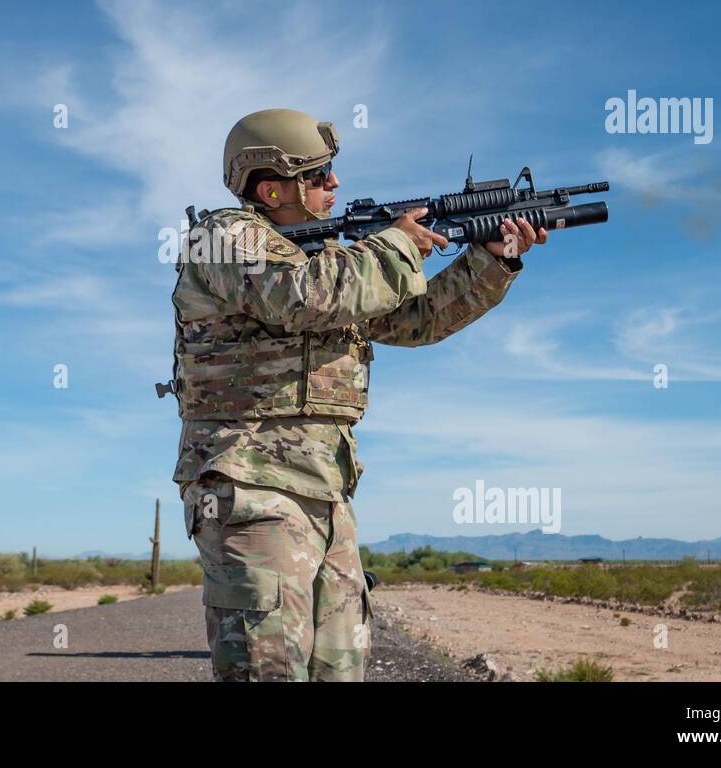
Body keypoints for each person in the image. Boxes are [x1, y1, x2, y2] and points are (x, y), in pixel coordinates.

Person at [167, 108, 546, 681]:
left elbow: (415, 320)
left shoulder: (333, 260)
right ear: (271, 187)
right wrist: (395, 244)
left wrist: (492, 262)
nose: (335, 186)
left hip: (327, 490)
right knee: (266, 669)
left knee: (339, 670)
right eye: (319, 176)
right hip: (251, 488)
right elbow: (299, 297)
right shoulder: (221, 239)